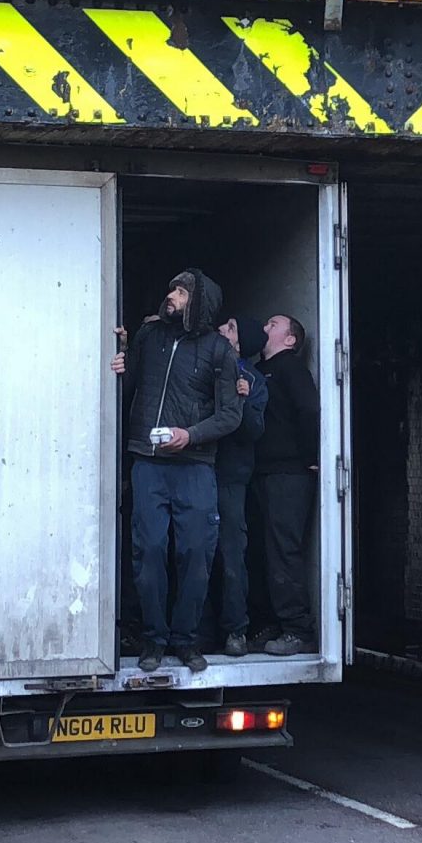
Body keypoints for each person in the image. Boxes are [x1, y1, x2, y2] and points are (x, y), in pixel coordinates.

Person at [109, 269, 243, 673]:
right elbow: (128, 387)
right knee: (148, 551)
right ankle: (153, 640)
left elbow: (231, 414)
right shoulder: (149, 337)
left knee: (195, 554)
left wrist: (191, 434)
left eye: (181, 292)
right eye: (172, 289)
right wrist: (122, 360)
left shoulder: (220, 350)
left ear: (199, 302)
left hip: (195, 467)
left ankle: (185, 641)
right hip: (147, 461)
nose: (172, 296)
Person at [249, 314, 320, 656]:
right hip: (262, 473)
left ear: (290, 340)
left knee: (283, 551)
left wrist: (311, 456)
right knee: (262, 551)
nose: (265, 327)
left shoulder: (290, 369)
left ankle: (297, 628)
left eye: (272, 323)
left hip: (288, 474)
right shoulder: (257, 371)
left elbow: (309, 410)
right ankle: (272, 624)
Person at [207, 317, 269, 657]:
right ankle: (196, 633)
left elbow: (253, 432)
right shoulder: (202, 366)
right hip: (197, 471)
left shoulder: (254, 381)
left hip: (231, 478)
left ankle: (235, 631)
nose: (221, 330)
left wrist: (242, 401)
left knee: (231, 555)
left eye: (230, 327)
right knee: (191, 553)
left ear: (240, 343)